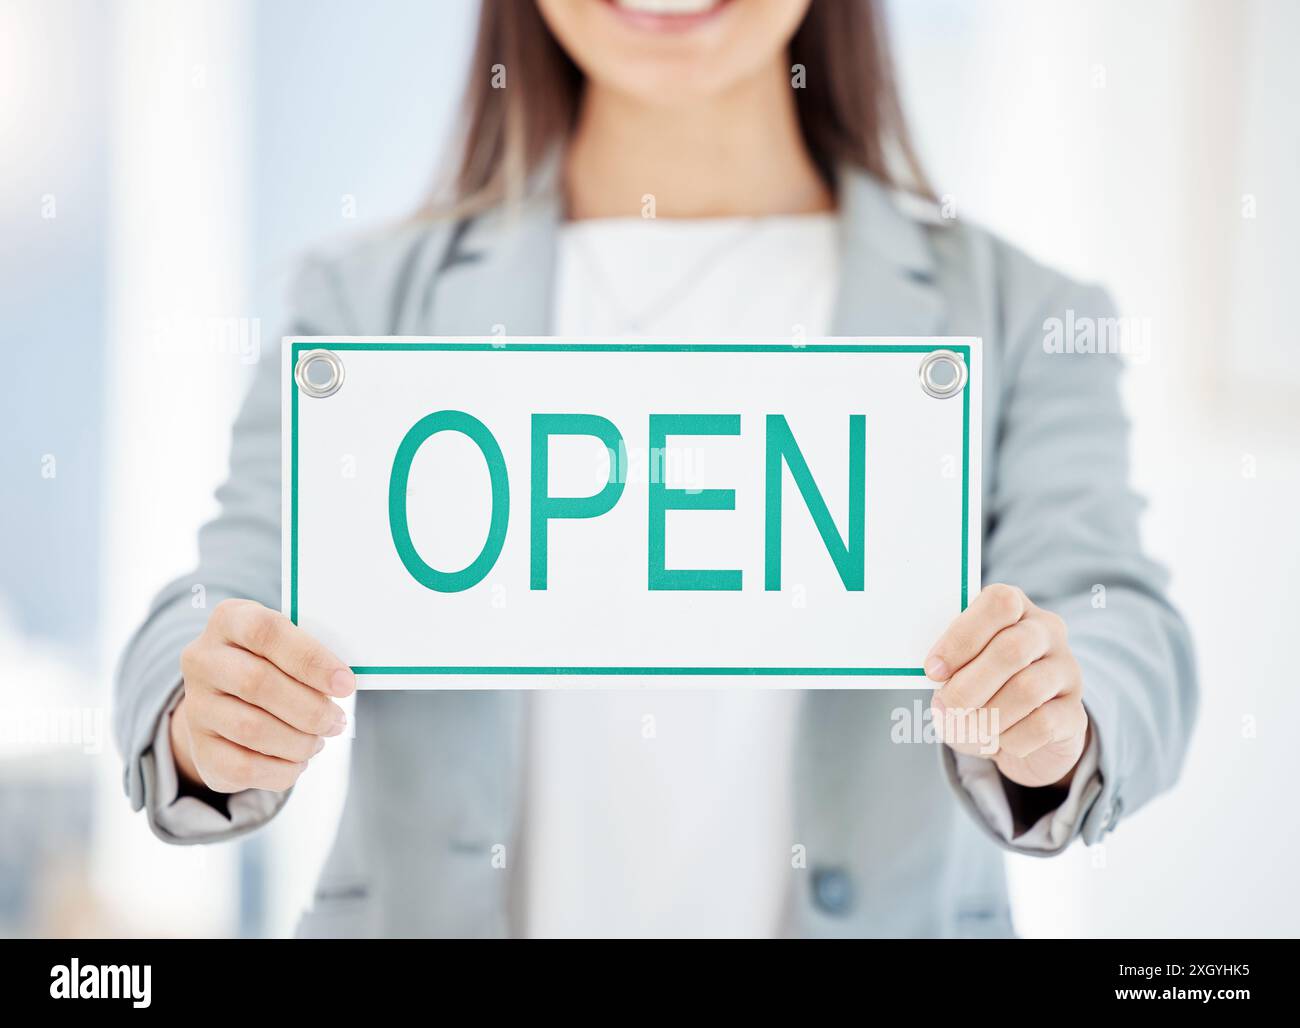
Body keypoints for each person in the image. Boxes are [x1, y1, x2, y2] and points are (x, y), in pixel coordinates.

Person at [114, 0, 1196, 937]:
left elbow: (1120, 616)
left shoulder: (1021, 315)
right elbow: (215, 603)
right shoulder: (358, 304)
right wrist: (208, 715)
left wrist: (1061, 710)